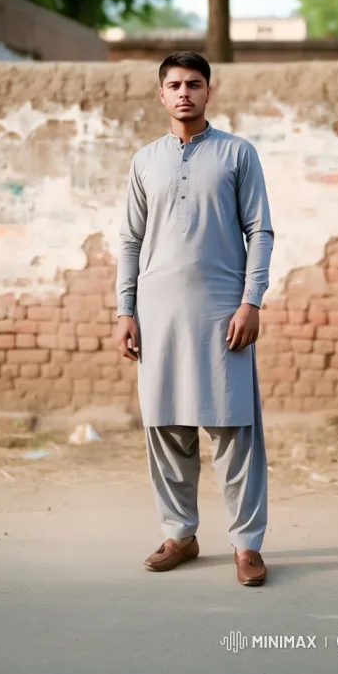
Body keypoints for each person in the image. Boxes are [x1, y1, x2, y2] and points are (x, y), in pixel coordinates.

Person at [115, 51, 274, 586]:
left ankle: (246, 546)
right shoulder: (145, 161)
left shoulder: (237, 154)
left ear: (210, 92)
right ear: (161, 95)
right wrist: (125, 310)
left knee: (235, 431)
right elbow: (131, 240)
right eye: (175, 85)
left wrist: (251, 302)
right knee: (166, 428)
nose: (185, 92)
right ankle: (180, 534)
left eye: (195, 84)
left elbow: (260, 231)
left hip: (222, 316)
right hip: (157, 316)